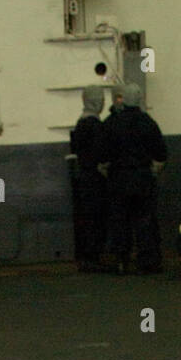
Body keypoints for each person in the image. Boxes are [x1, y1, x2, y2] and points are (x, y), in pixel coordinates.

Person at [99, 82, 167, 274]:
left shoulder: (112, 123)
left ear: (123, 99)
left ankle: (121, 261)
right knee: (145, 220)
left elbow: (102, 153)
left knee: (120, 220)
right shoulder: (148, 122)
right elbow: (161, 153)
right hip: (142, 177)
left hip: (118, 177)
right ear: (139, 99)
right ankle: (147, 262)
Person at [70, 86, 108, 271]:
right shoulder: (95, 126)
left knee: (86, 219)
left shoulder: (80, 124)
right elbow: (101, 152)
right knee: (95, 219)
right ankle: (93, 257)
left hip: (84, 177)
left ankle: (87, 257)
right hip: (95, 179)